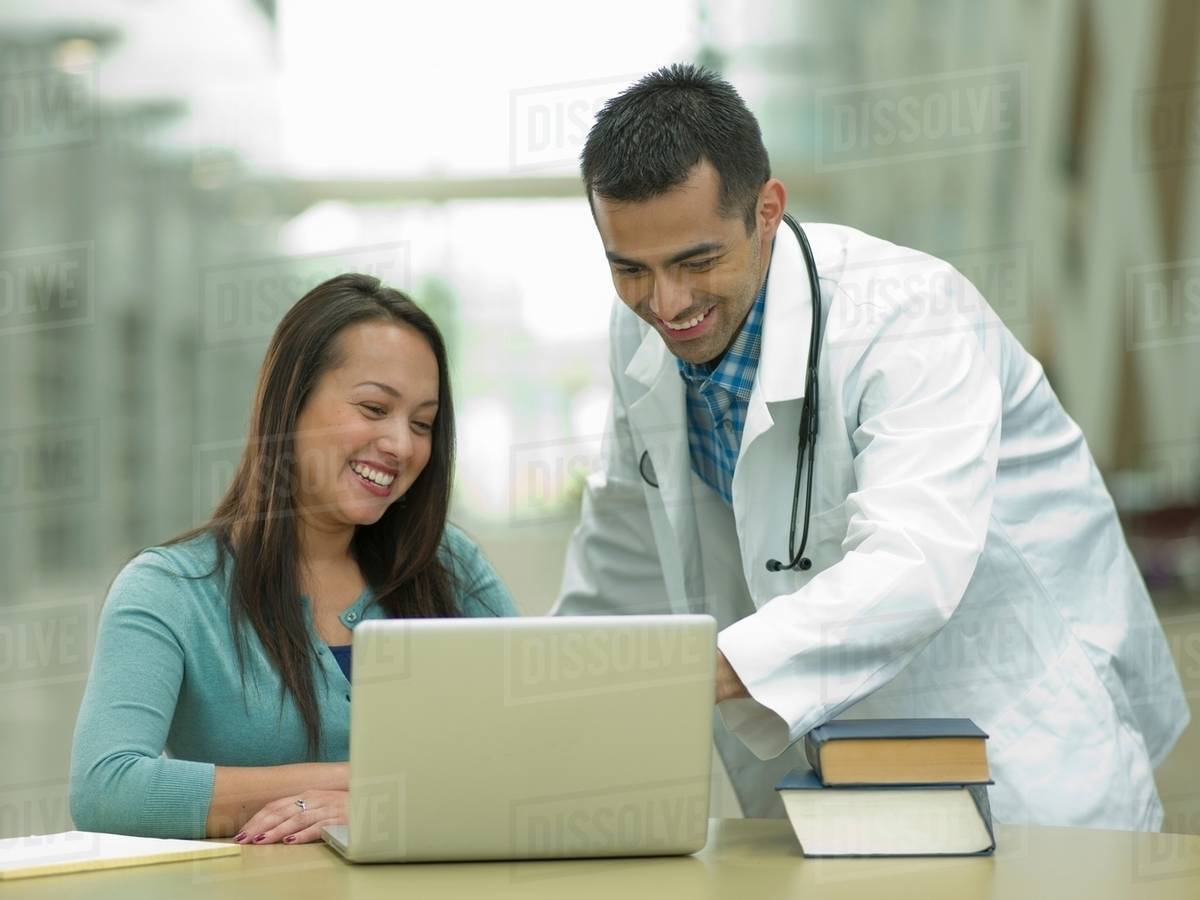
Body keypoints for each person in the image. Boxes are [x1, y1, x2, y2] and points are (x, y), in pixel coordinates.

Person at [552, 63, 1189, 829]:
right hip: (834, 778)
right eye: (631, 270)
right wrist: (543, 695)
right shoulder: (640, 338)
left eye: (697, 262)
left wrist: (696, 670)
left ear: (767, 211)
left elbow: (911, 563)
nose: (667, 303)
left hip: (1018, 749)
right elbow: (621, 567)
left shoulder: (908, 314)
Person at [70, 273, 517, 843]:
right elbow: (107, 789)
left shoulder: (450, 566)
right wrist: (365, 787)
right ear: (291, 402)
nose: (403, 446)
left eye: (423, 424)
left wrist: (384, 800)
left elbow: (535, 747)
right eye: (374, 407)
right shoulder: (169, 590)